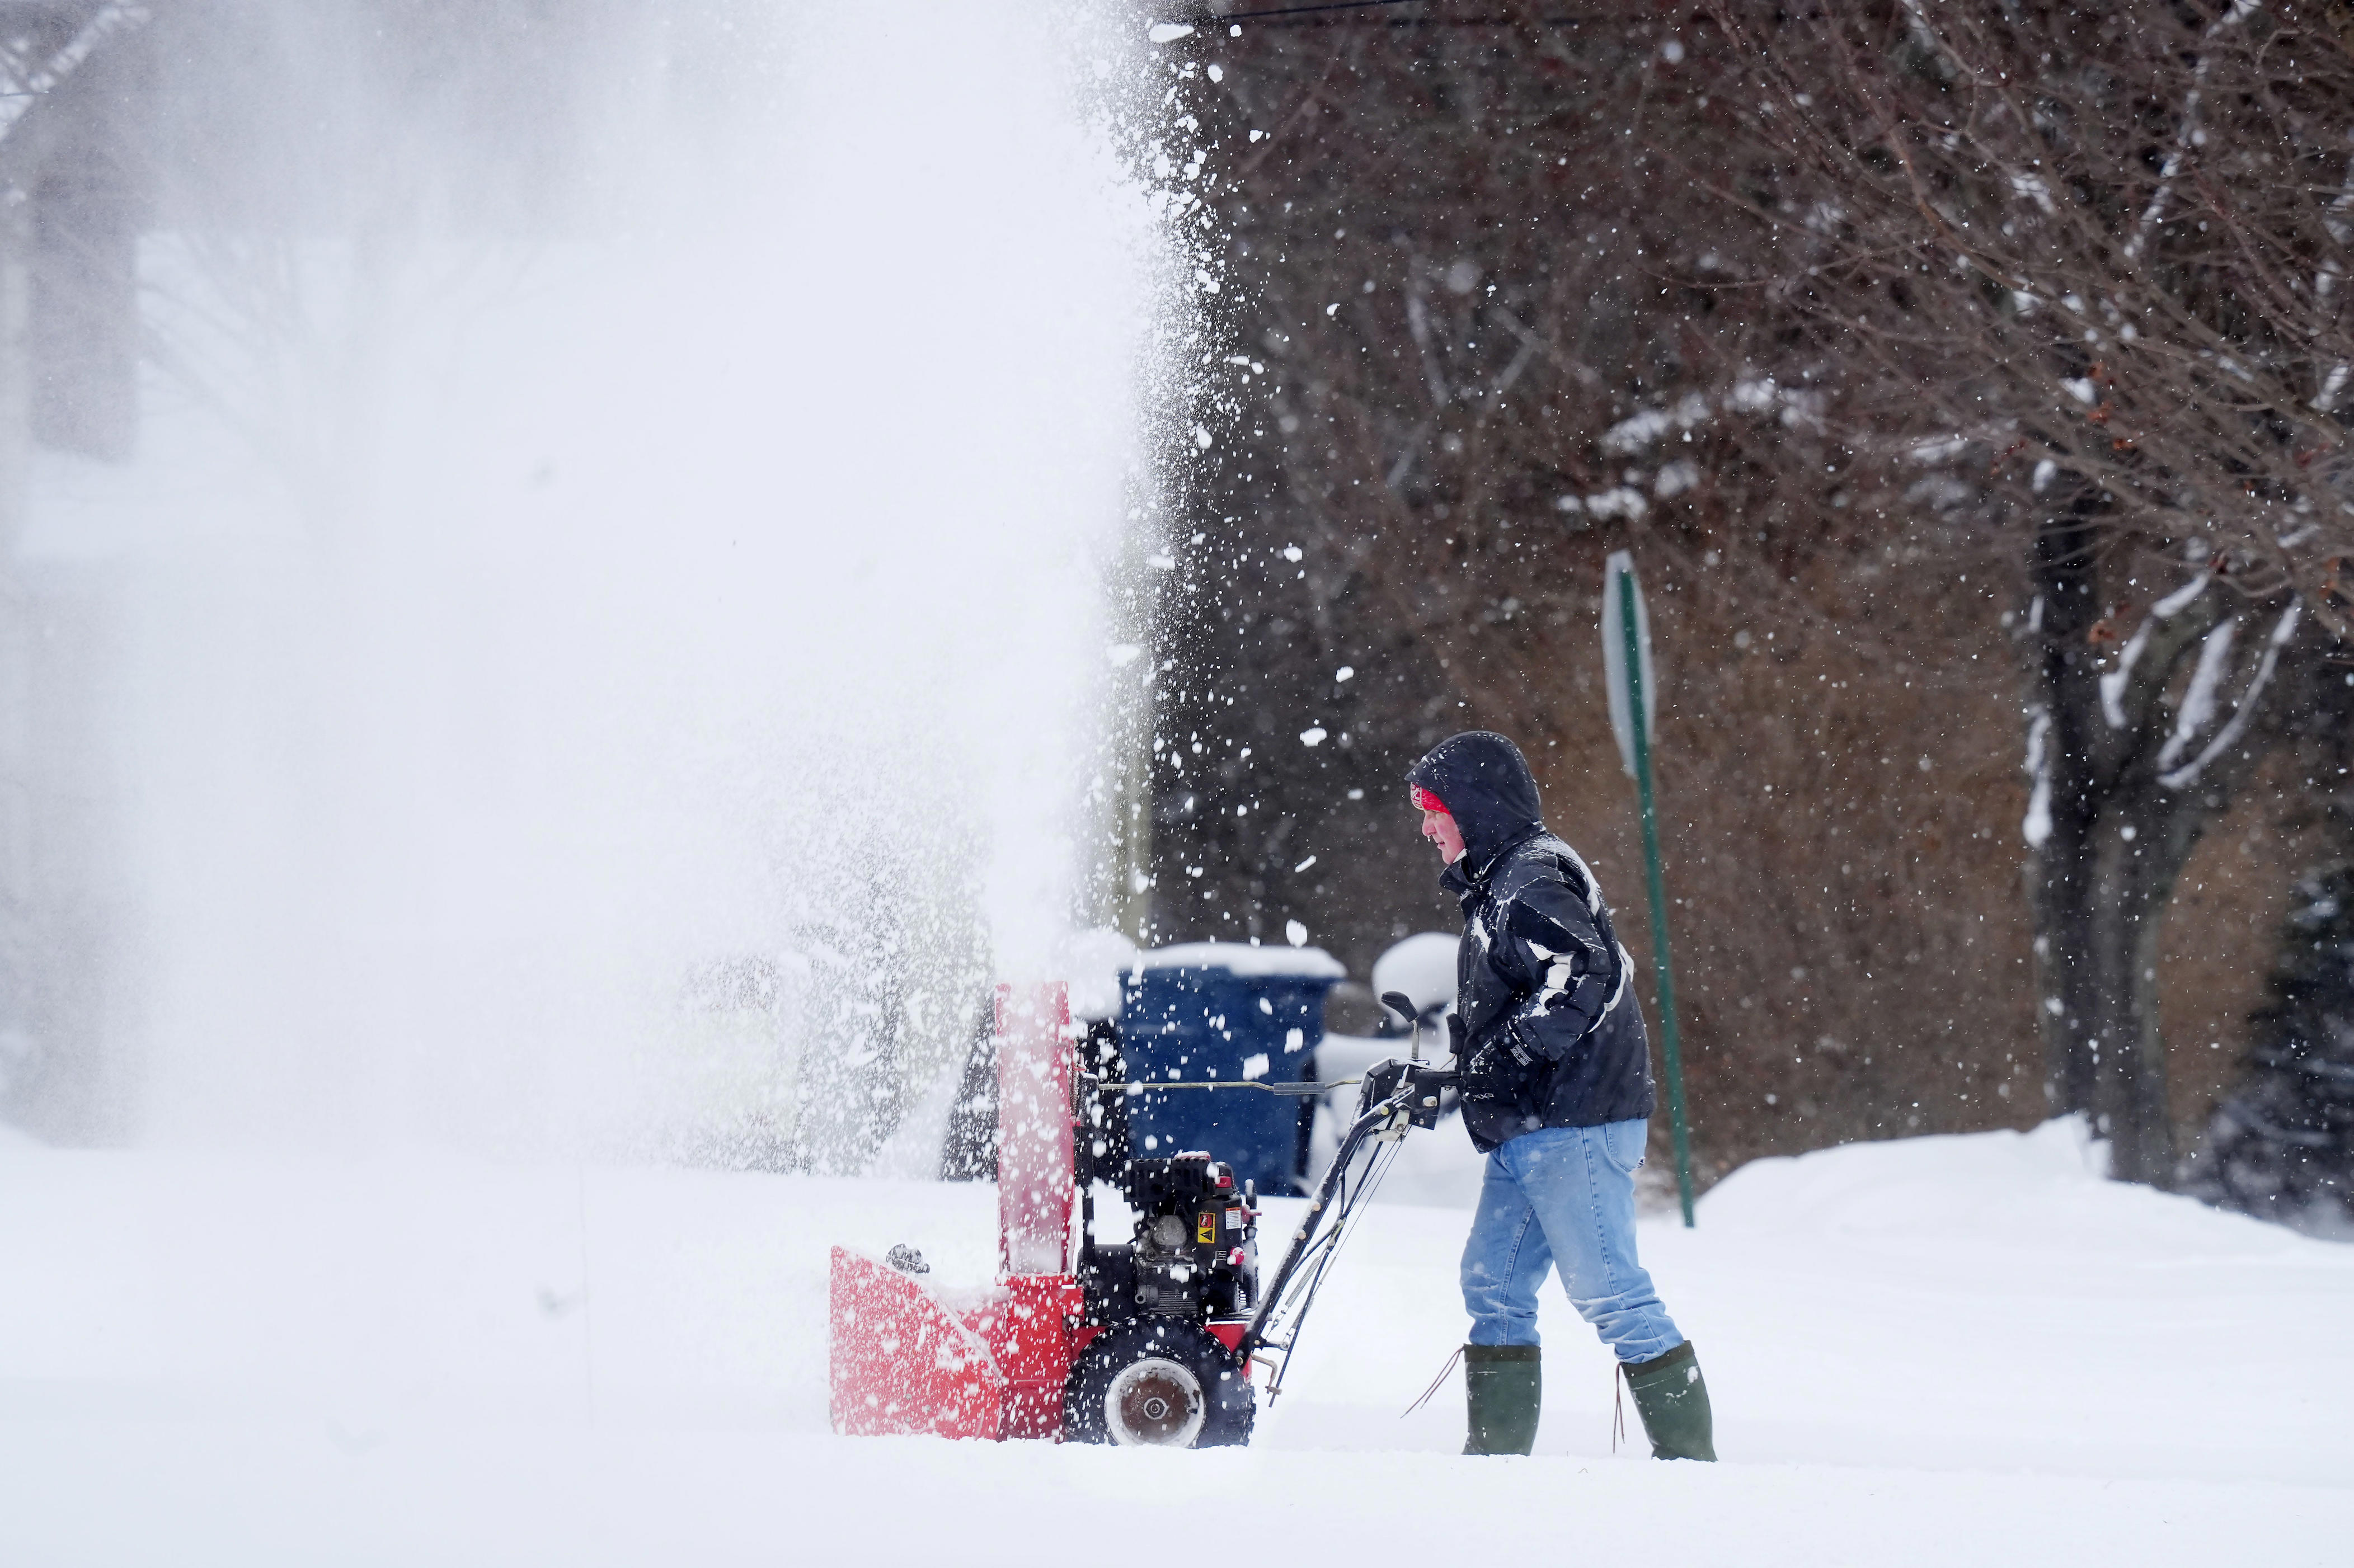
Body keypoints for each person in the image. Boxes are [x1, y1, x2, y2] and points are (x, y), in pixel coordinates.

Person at [1406, 729, 1714, 1460]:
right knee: (1493, 1283)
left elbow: (1585, 974)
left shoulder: (1529, 879)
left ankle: (1693, 1470)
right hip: (1531, 1125)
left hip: (1571, 1120)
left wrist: (1511, 1055)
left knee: (1609, 1291)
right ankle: (1496, 1464)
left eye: (1433, 810)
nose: (1425, 826)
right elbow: (1517, 997)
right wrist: (1462, 1068)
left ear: (1474, 808)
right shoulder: (1502, 880)